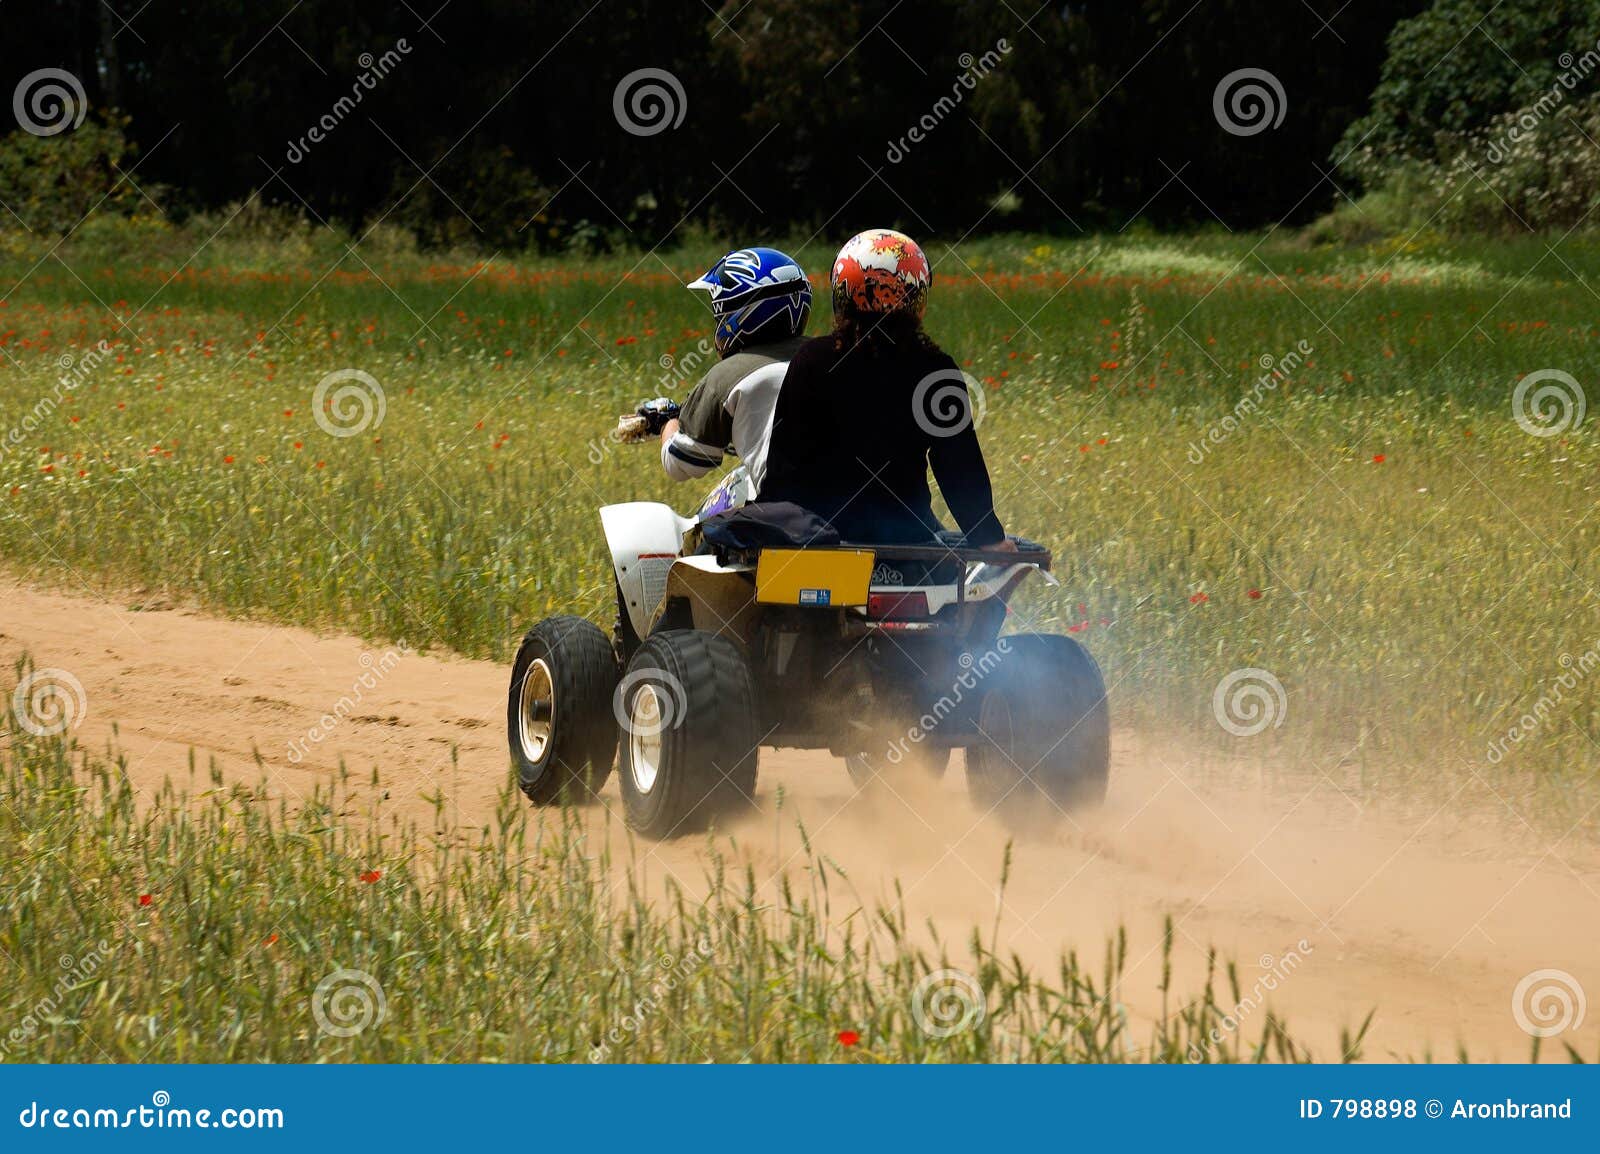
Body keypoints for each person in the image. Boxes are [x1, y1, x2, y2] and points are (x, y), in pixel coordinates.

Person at [759, 228, 1014, 549]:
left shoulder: (811, 360)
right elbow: (958, 466)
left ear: (842, 295)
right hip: (907, 541)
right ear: (916, 299)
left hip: (818, 540)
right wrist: (988, 538)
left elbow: (784, 468)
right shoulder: (935, 368)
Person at [651, 246, 811, 492]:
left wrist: (666, 423)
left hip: (790, 507)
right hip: (863, 502)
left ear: (738, 312)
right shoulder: (832, 355)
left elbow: (682, 463)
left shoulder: (726, 377)